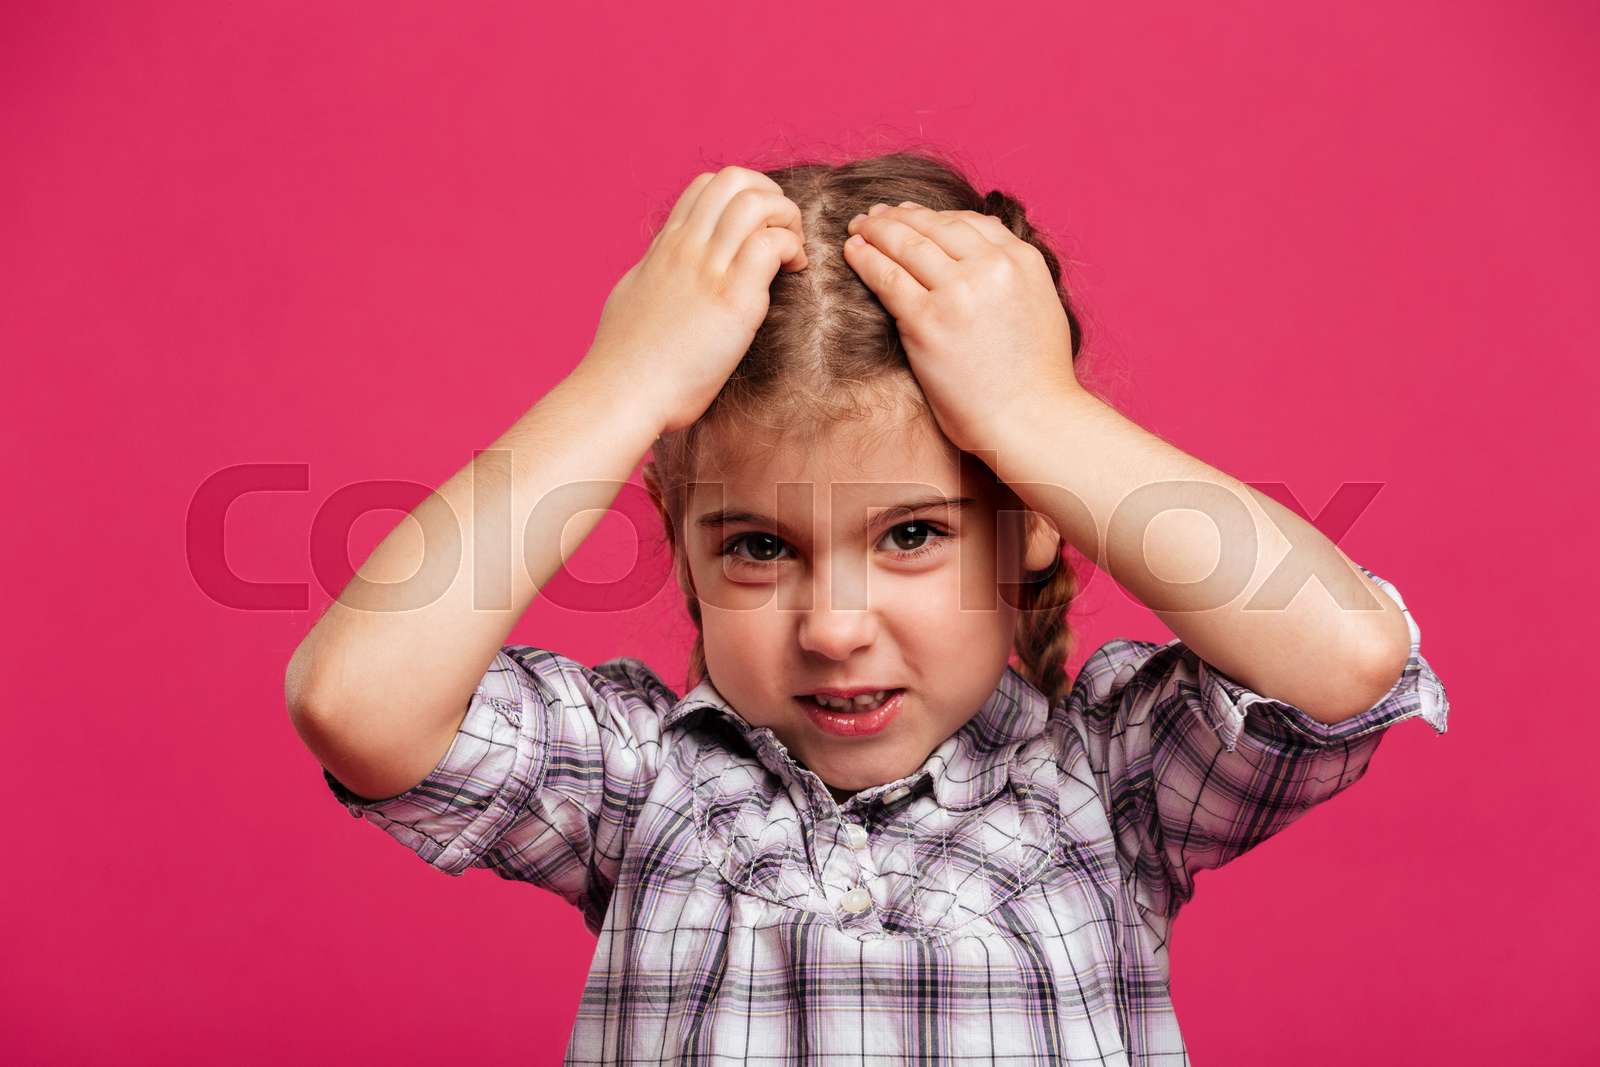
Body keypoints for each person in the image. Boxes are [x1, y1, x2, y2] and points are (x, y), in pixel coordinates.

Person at [285, 151, 1450, 1064]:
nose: (833, 627)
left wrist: (1034, 413)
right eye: (756, 545)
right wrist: (622, 383)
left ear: (1035, 511)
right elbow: (357, 702)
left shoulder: (1109, 778)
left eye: (910, 533)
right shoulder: (642, 783)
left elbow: (1341, 656)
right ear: (684, 549)